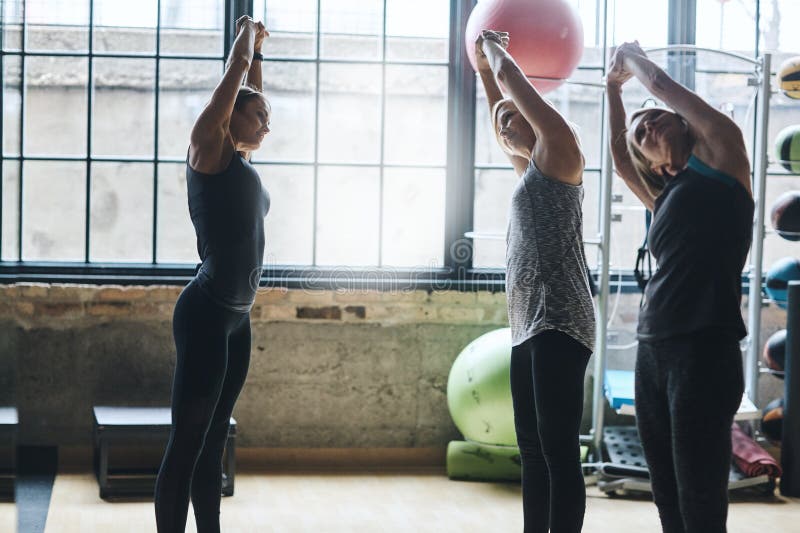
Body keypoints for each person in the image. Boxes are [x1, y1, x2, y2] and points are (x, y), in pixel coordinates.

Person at [606, 41, 754, 533]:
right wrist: (611, 91)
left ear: (682, 122)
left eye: (653, 116)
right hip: (652, 350)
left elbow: (661, 85)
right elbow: (620, 159)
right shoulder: (663, 195)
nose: (646, 124)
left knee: (699, 490)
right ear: (652, 163)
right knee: (666, 490)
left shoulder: (723, 155)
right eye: (639, 132)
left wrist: (629, 58)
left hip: (704, 348)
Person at [476, 30, 596, 533]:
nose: (503, 125)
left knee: (558, 449)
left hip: (560, 321)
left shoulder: (561, 155)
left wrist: (492, 50)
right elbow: (500, 104)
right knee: (530, 448)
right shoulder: (529, 173)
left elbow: (512, 79)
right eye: (500, 122)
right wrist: (485, 75)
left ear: (538, 118)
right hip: (528, 325)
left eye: (513, 116)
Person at [154, 16, 271, 533]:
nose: (266, 125)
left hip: (237, 321)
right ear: (231, 117)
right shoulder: (207, 146)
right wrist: (247, 37)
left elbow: (248, 91)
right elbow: (236, 79)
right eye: (260, 116)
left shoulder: (239, 162)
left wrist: (258, 57)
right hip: (205, 315)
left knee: (214, 441)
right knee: (187, 444)